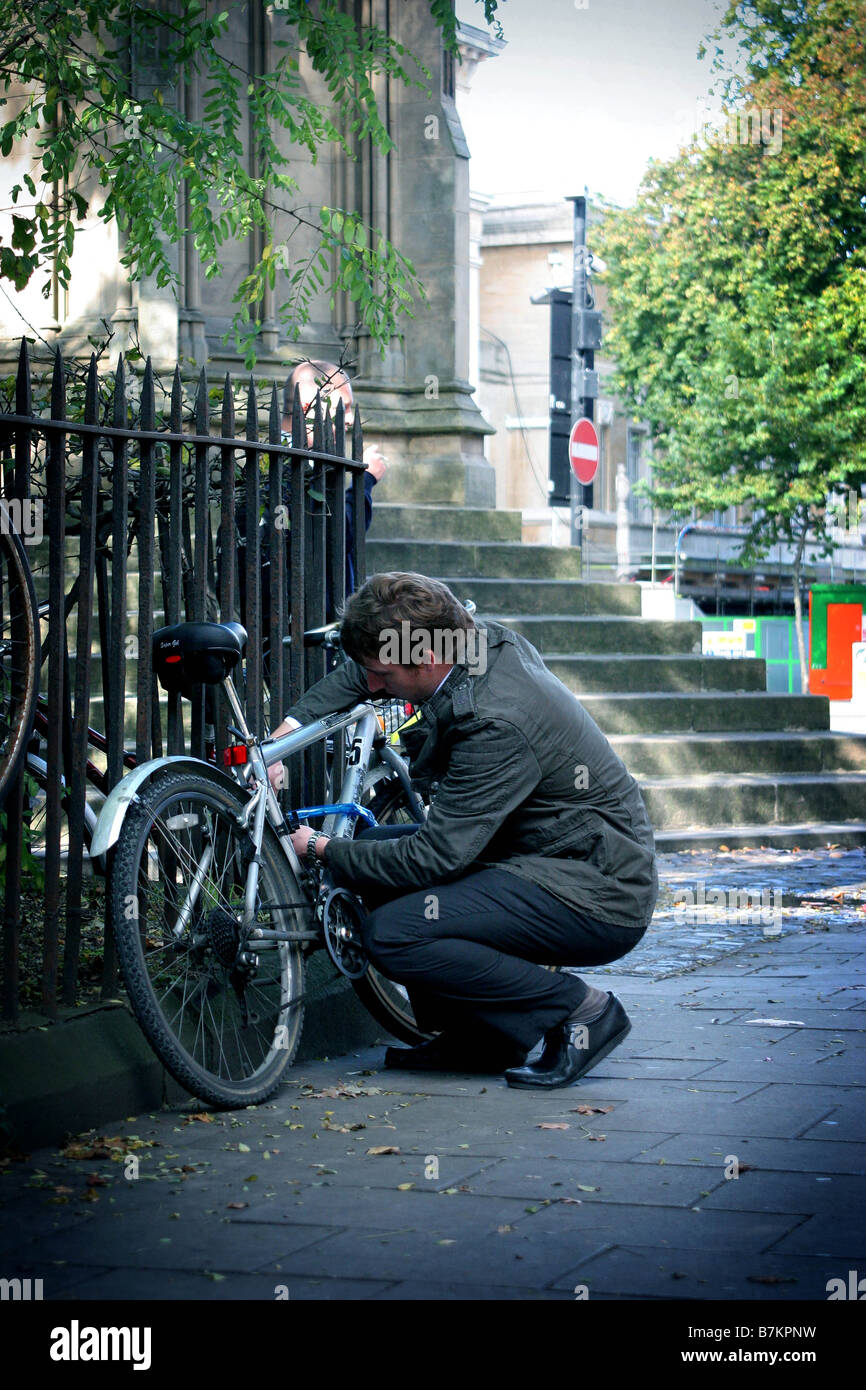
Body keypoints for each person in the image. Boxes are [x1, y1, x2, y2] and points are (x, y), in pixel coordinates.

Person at [266, 571, 658, 1090]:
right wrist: (287, 735)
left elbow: (432, 860)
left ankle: (583, 1011)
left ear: (424, 660)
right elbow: (365, 672)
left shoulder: (497, 720)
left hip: (597, 889)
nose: (375, 686)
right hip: (539, 859)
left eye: (385, 675)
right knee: (371, 862)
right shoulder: (470, 641)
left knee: (394, 935)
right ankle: (485, 1038)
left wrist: (320, 847)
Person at [282, 359, 386, 596]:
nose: (348, 419)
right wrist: (365, 481)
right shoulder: (286, 466)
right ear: (307, 407)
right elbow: (335, 539)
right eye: (344, 408)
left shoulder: (313, 459)